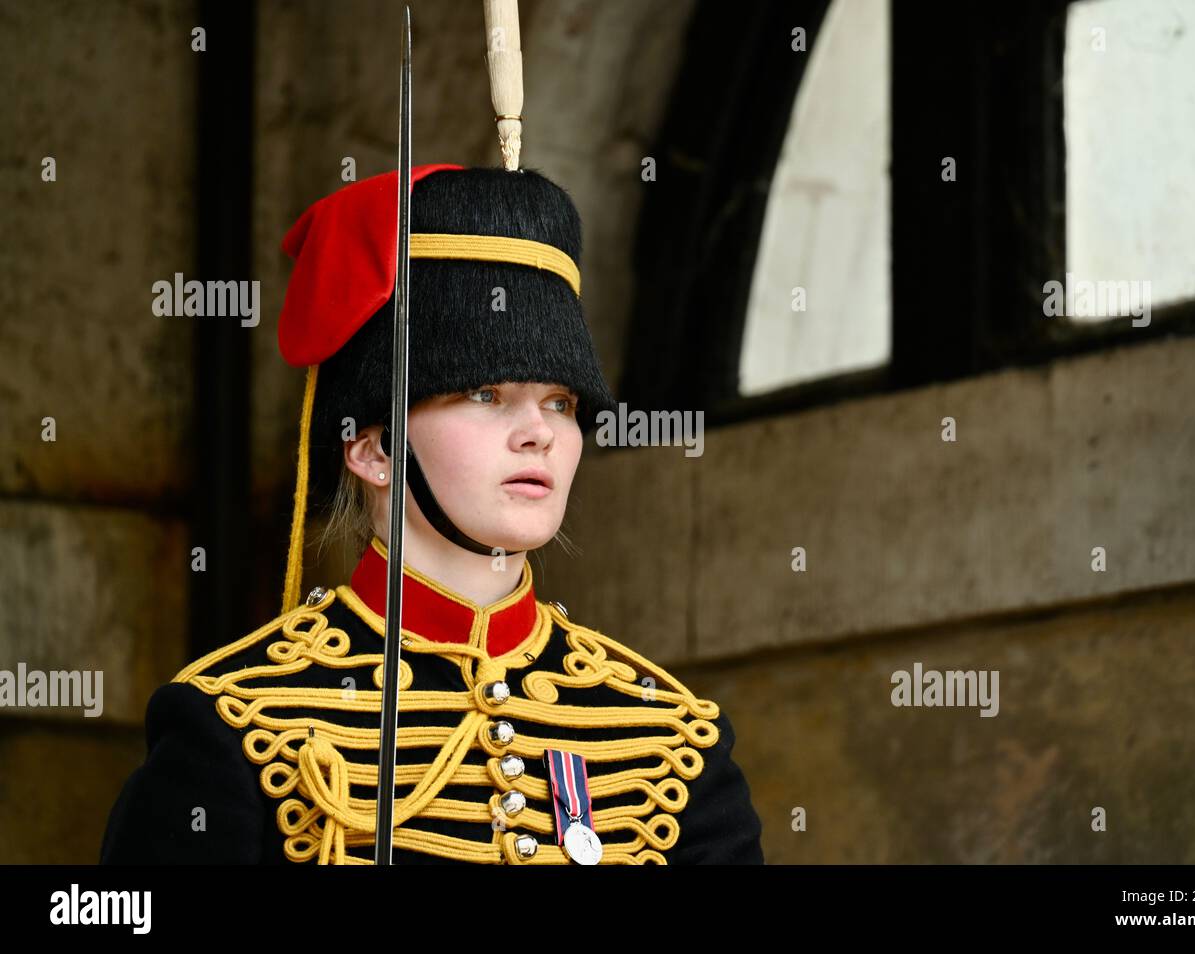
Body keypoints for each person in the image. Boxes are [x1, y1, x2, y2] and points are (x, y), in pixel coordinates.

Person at [99, 163, 765, 865]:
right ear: (374, 448)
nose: (538, 432)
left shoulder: (673, 742)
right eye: (485, 393)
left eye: (560, 404)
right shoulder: (234, 726)